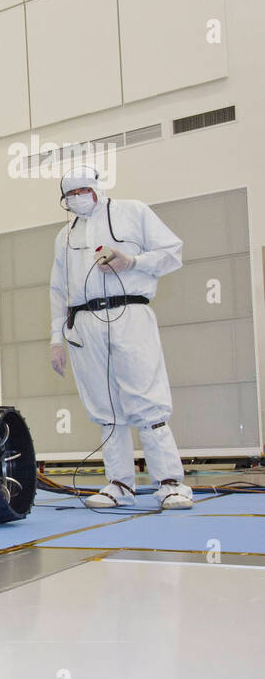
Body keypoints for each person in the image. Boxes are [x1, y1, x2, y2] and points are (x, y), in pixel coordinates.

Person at [48, 166, 194, 509]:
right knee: (104, 405)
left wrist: (133, 261)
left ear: (97, 187)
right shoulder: (64, 236)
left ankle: (170, 482)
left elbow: (172, 252)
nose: (78, 199)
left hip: (130, 312)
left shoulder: (133, 212)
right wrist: (57, 339)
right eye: (70, 195)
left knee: (145, 395)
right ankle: (118, 483)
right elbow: (57, 289)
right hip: (83, 321)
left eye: (83, 190)